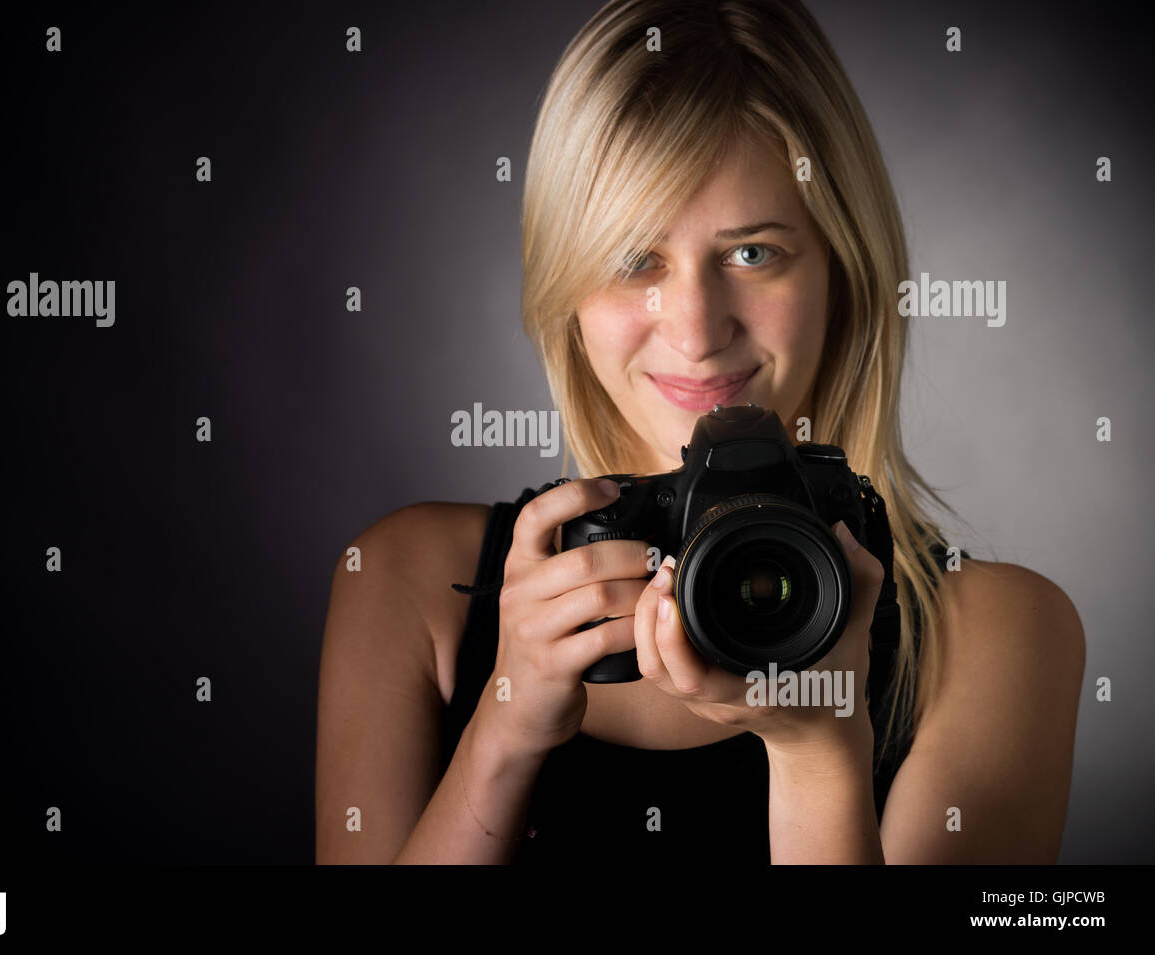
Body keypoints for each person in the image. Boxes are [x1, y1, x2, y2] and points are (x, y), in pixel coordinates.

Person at [315, 0, 1085, 864]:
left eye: (752, 252)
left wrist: (818, 754)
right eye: (632, 258)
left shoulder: (998, 633)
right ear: (564, 285)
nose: (694, 327)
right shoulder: (408, 582)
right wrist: (503, 725)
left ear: (845, 266)